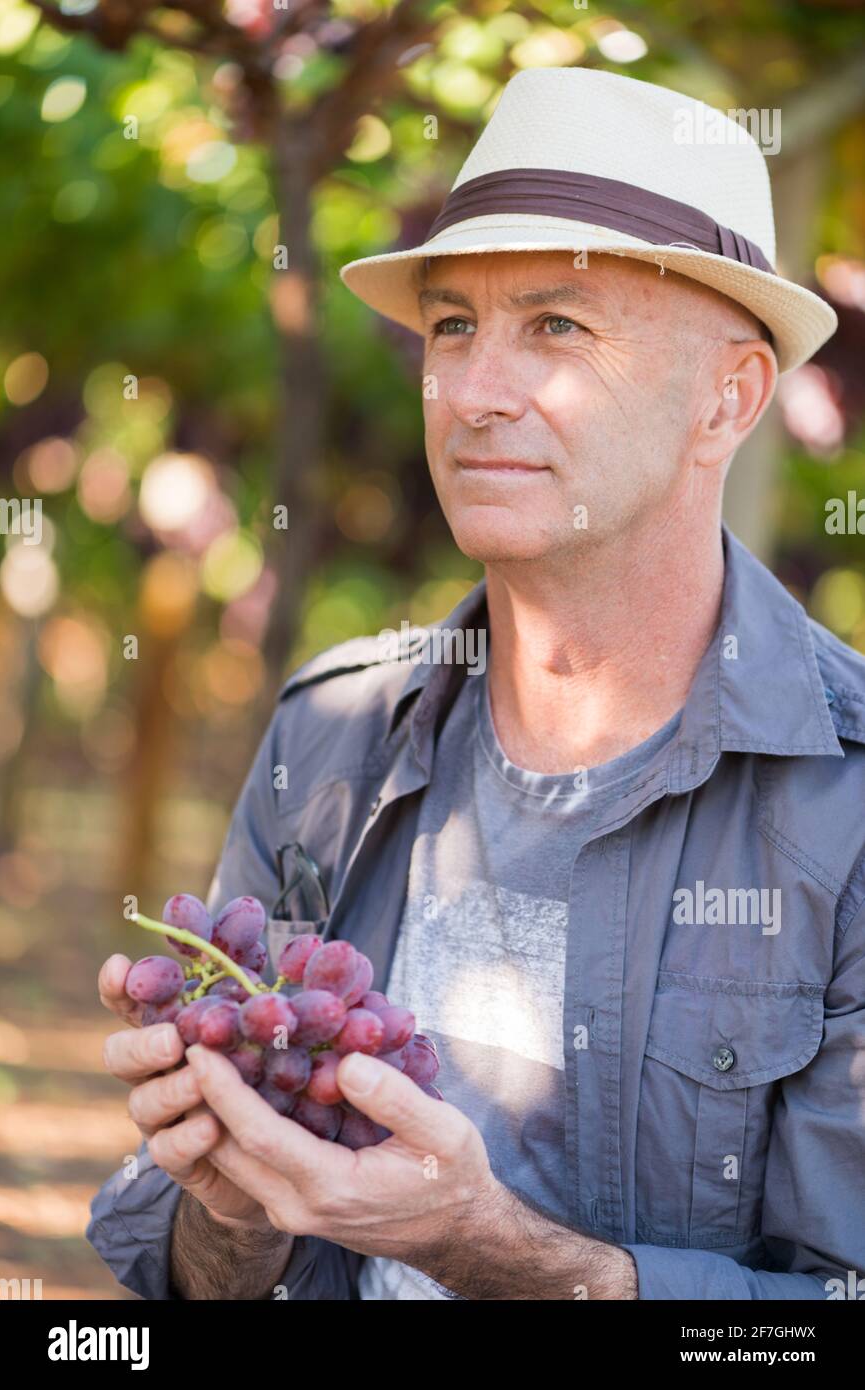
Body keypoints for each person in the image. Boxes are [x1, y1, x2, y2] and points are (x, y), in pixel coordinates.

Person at [87, 67, 865, 1300]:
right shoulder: (331, 736)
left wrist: (492, 1250)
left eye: (557, 325)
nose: (473, 393)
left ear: (731, 396)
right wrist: (234, 1218)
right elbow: (178, 1276)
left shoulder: (848, 808)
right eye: (453, 325)